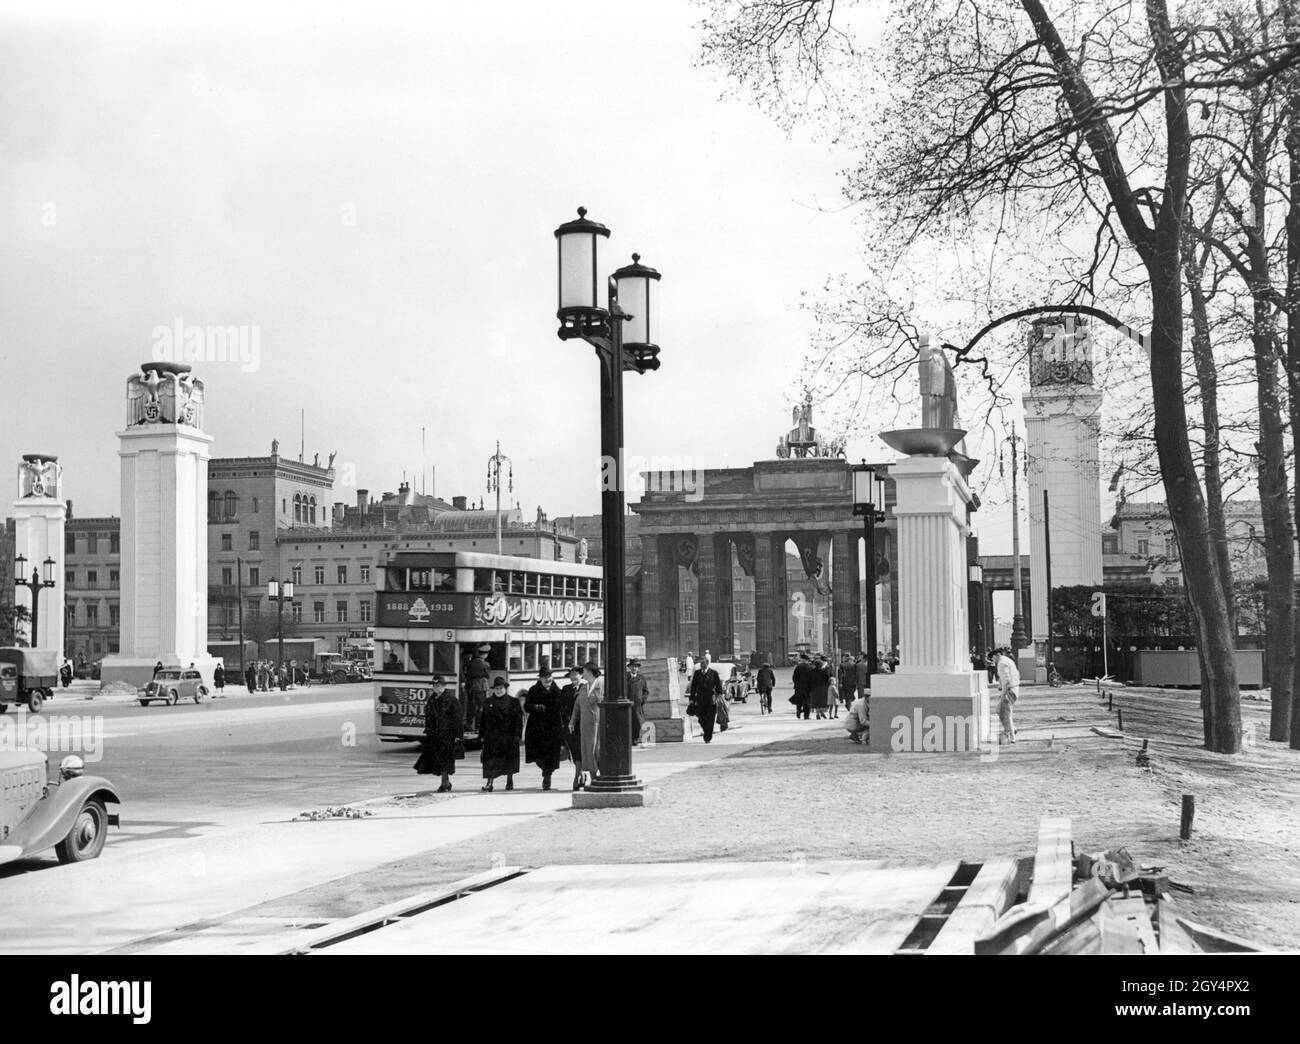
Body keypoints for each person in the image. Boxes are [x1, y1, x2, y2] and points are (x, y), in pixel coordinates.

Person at [415, 674, 464, 792]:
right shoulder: (432, 699)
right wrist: (428, 730)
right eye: (434, 685)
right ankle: (446, 782)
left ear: (444, 686)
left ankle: (444, 783)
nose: (436, 687)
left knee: (444, 759)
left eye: (438, 685)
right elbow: (428, 716)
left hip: (447, 734)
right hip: (434, 734)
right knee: (438, 760)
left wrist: (458, 736)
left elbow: (458, 719)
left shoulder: (451, 699)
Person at [523, 665, 565, 790]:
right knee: (538, 755)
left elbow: (561, 709)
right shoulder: (533, 690)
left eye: (549, 676)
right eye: (545, 677)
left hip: (553, 727)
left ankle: (547, 776)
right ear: (540, 678)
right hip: (537, 727)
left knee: (551, 754)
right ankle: (545, 771)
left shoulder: (557, 691)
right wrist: (535, 707)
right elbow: (526, 706)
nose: (548, 679)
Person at [479, 677, 523, 791]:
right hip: (492, 737)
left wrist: (517, 735)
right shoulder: (488, 702)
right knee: (490, 761)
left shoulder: (513, 702)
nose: (498, 690)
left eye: (501, 688)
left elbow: (518, 720)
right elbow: (483, 719)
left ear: (505, 688)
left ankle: (509, 780)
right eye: (496, 688)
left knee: (509, 760)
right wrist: (482, 735)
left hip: (508, 736)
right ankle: (489, 783)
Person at [568, 663, 602, 789]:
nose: (582, 674)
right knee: (588, 752)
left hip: (598, 725)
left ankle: (602, 777)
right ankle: (594, 779)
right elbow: (577, 707)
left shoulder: (601, 685)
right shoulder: (583, 688)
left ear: (590, 672)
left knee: (597, 751)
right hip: (585, 726)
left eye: (584, 671)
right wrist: (572, 722)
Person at [687, 653, 723, 743]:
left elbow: (719, 687)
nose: (701, 665)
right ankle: (706, 731)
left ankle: (707, 737)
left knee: (710, 719)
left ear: (707, 663)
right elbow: (693, 687)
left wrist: (719, 696)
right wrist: (691, 699)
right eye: (701, 663)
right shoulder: (697, 673)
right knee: (701, 718)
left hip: (711, 700)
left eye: (703, 663)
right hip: (700, 699)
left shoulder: (713, 673)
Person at [559, 665, 584, 790]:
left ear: (581, 675)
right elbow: (560, 707)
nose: (573, 677)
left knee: (581, 750)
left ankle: (577, 777)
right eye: (571, 675)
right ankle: (580, 774)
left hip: (583, 725)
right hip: (570, 726)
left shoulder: (585, 688)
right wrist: (567, 719)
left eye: (576, 674)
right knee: (574, 751)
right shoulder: (565, 689)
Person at [464, 646, 491, 735]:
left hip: (472, 687)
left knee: (471, 706)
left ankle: (469, 725)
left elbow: (467, 674)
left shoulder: (471, 663)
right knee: (481, 707)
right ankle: (478, 726)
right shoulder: (486, 664)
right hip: (482, 687)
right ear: (485, 654)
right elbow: (487, 675)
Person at [996, 647, 1020, 743]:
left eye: (993, 658)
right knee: (999, 710)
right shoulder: (1008, 660)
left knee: (1006, 713)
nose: (993, 660)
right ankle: (1013, 729)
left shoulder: (1001, 663)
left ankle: (1011, 735)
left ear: (997, 655)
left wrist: (1003, 693)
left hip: (1009, 690)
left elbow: (1006, 680)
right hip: (1014, 689)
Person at [626, 659, 650, 746]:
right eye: (632, 666)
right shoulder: (625, 678)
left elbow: (646, 691)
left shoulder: (641, 678)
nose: (634, 668)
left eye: (636, 667)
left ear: (638, 668)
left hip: (638, 705)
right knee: (628, 721)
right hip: (628, 704)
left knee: (638, 722)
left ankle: (636, 739)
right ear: (629, 667)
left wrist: (643, 700)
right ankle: (630, 739)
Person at [809, 655, 830, 720]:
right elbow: (827, 679)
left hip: (814, 688)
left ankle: (818, 714)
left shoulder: (812, 671)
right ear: (821, 665)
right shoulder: (824, 671)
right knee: (821, 701)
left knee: (816, 701)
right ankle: (821, 712)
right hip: (822, 687)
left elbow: (809, 679)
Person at [791, 653, 811, 718]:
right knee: (807, 701)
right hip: (807, 687)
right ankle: (806, 715)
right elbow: (811, 678)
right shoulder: (809, 667)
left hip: (798, 687)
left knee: (799, 700)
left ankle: (798, 710)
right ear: (807, 660)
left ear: (802, 660)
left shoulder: (798, 667)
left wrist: (796, 683)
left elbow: (794, 677)